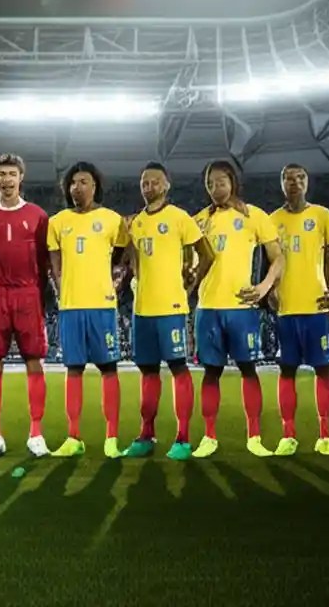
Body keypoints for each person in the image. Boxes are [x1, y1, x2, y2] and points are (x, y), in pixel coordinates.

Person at [192, 160, 283, 458]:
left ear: (232, 182)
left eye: (220, 181)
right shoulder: (197, 221)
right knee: (210, 373)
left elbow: (278, 257)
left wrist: (263, 287)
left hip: (241, 309)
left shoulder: (253, 215)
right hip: (208, 308)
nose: (215, 188)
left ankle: (254, 436)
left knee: (248, 370)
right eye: (209, 184)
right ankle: (209, 436)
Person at [122, 162, 211, 461]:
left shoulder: (179, 218)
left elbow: (206, 254)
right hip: (142, 308)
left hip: (171, 306)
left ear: (167, 184)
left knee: (177, 368)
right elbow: (127, 259)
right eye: (144, 182)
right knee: (148, 371)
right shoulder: (135, 223)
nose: (149, 187)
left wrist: (192, 284)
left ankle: (183, 438)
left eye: (155, 181)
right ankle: (146, 434)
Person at [0, 153, 51, 458]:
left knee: (34, 360)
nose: (7, 180)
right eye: (2, 174)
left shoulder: (38, 216)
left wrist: (34, 291)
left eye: (12, 174)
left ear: (21, 178)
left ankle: (36, 433)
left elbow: (44, 260)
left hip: (28, 293)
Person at [46, 162, 126, 459]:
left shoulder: (112, 220)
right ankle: (74, 436)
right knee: (74, 370)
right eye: (73, 182)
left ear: (95, 186)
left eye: (84, 181)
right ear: (68, 189)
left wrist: (117, 278)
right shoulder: (57, 222)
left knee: (109, 368)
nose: (78, 187)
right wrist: (60, 292)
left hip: (102, 305)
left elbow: (123, 253)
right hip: (71, 306)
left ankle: (112, 437)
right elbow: (54, 265)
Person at [268, 164, 329, 457]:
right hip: (286, 306)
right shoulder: (272, 220)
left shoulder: (323, 215)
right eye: (288, 178)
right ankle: (289, 434)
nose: (295, 183)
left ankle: (324, 435)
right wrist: (270, 292)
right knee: (286, 370)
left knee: (323, 368)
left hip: (316, 305)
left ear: (307, 182)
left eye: (300, 178)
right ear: (282, 183)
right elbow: (269, 261)